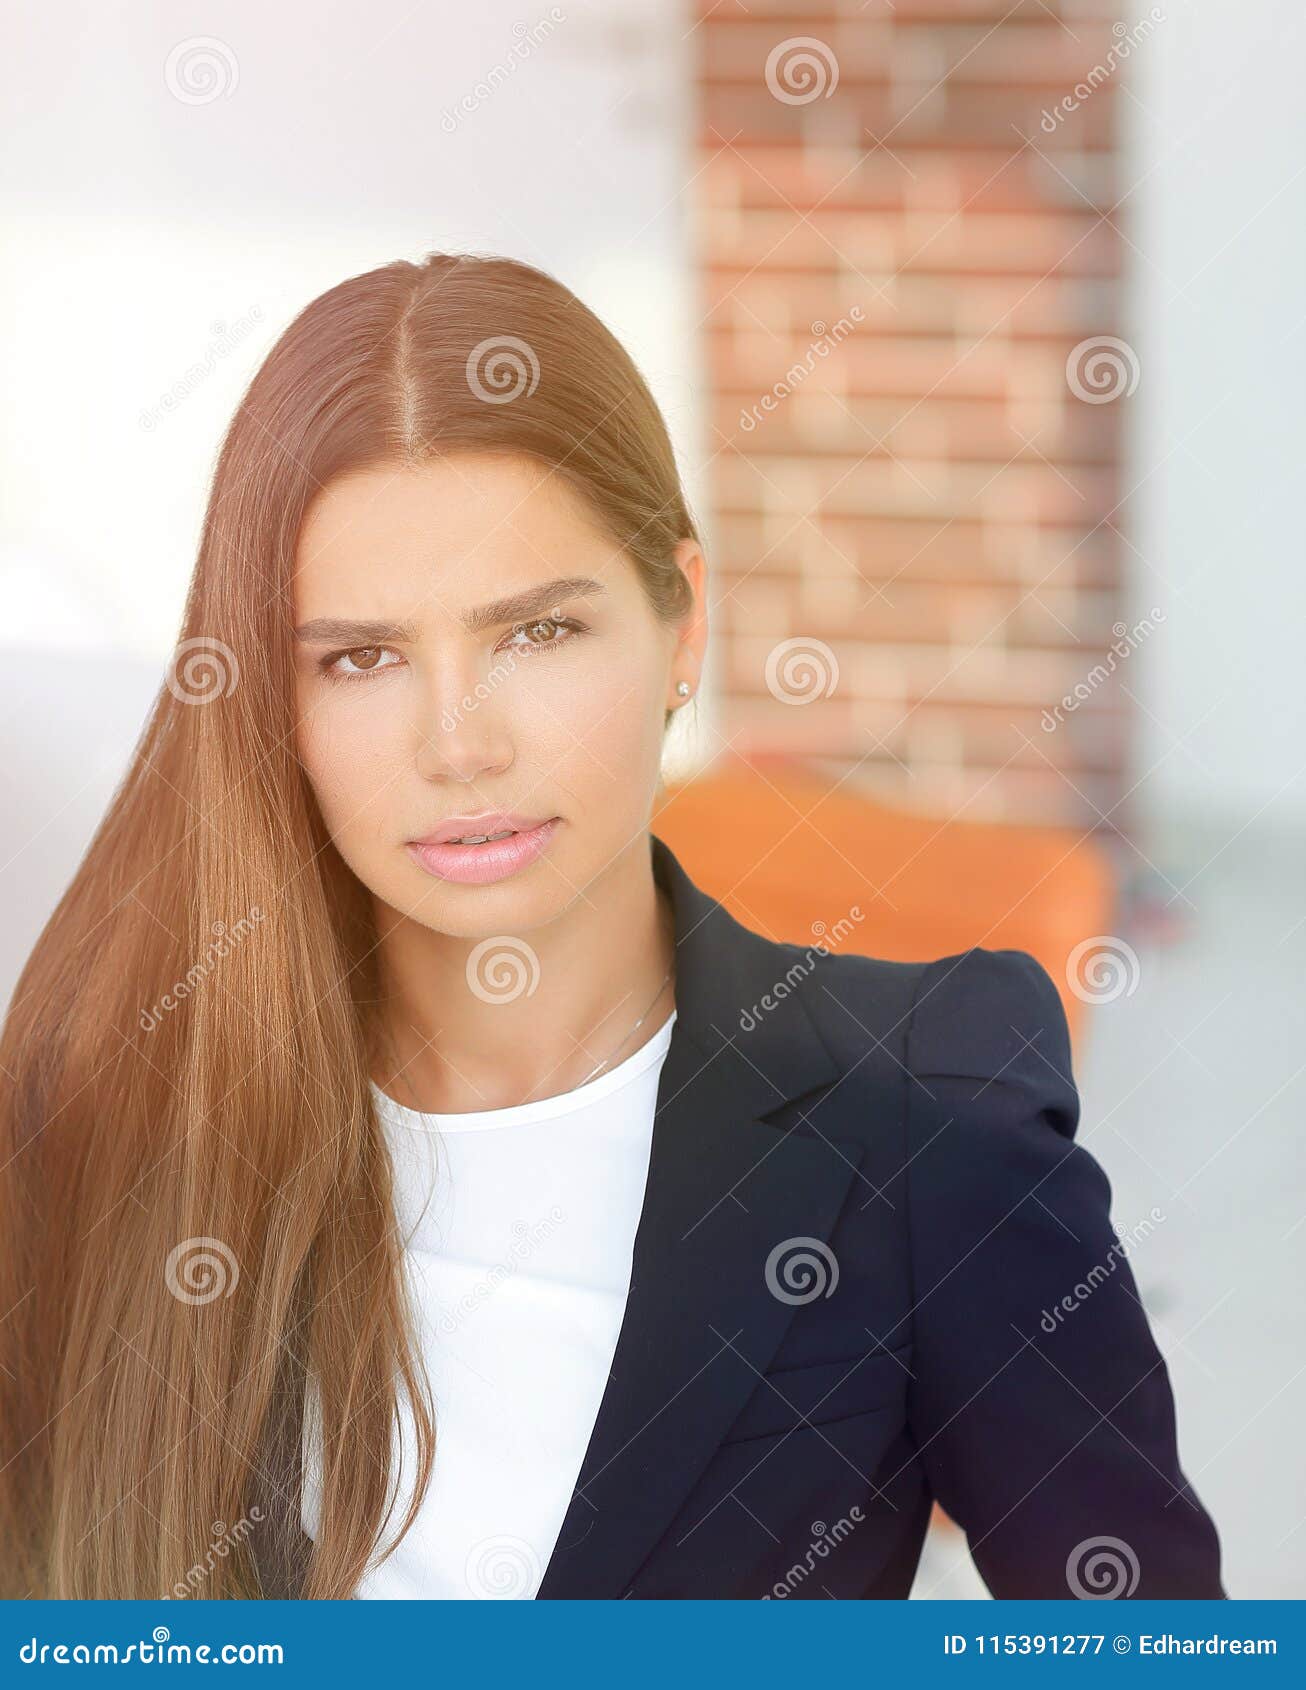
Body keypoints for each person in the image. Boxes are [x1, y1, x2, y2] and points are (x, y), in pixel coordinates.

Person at [0, 253, 1223, 1600]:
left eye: (535, 632)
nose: (458, 744)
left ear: (681, 626)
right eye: (361, 656)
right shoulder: (113, 1106)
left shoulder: (922, 1113)